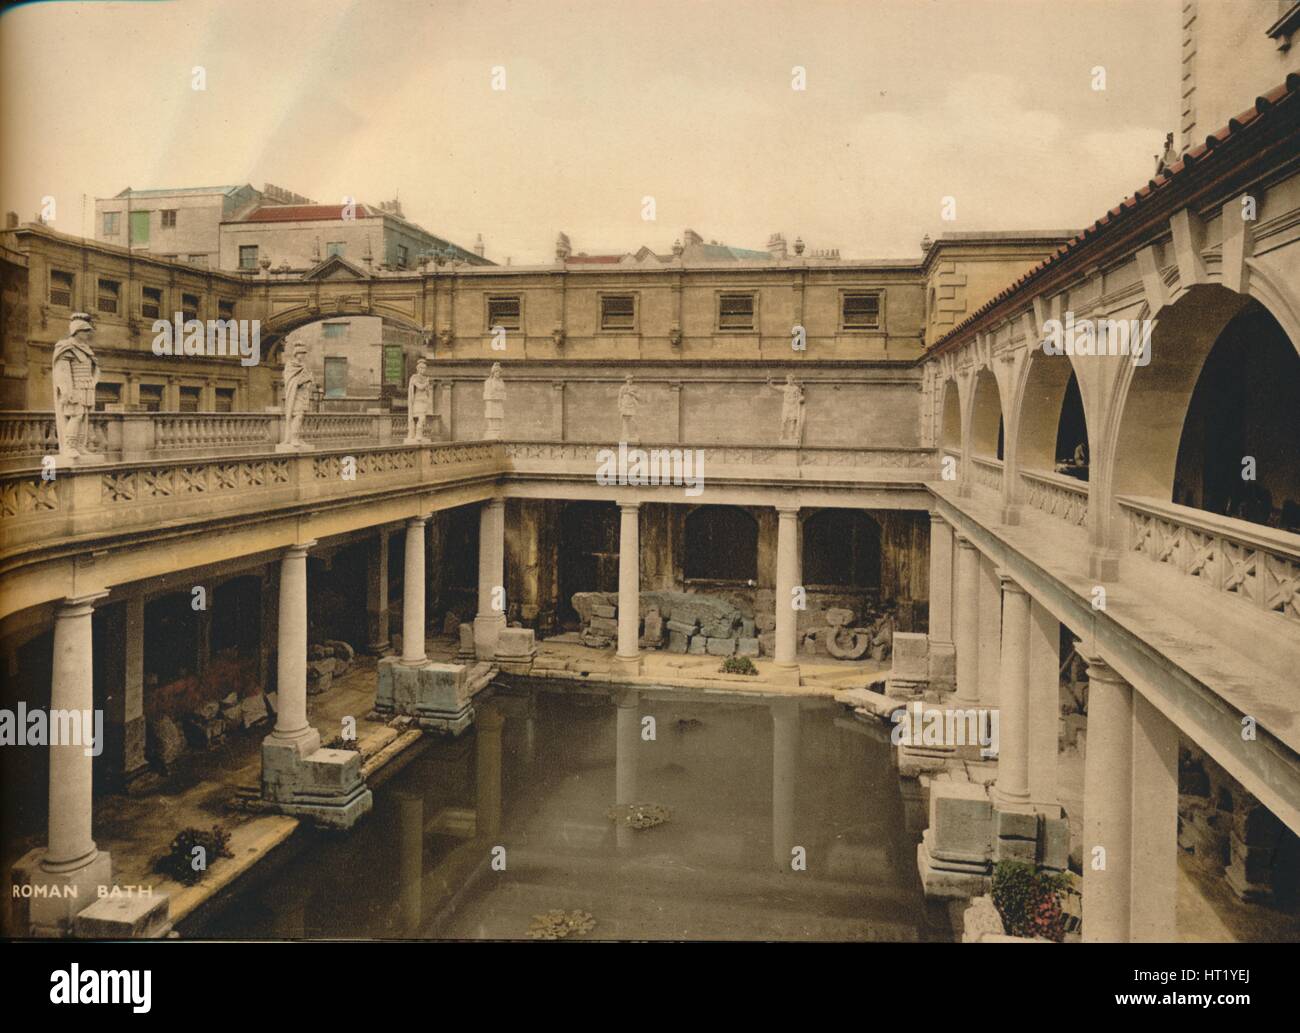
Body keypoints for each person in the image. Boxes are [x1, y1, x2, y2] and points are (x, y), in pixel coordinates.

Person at [51, 314, 100, 457]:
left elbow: (92, 369)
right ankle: (69, 446)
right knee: (76, 415)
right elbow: (62, 371)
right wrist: (66, 391)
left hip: (86, 386)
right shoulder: (66, 347)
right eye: (85, 331)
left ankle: (80, 446)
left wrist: (93, 380)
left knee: (84, 416)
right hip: (74, 387)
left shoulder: (85, 348)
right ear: (76, 331)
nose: (88, 334)